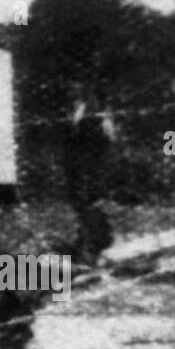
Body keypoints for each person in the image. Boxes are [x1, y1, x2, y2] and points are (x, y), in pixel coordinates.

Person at [63, 96, 115, 264]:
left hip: (89, 170)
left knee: (88, 207)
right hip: (84, 171)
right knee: (86, 207)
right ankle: (87, 248)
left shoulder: (93, 125)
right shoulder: (82, 125)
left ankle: (88, 248)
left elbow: (107, 141)